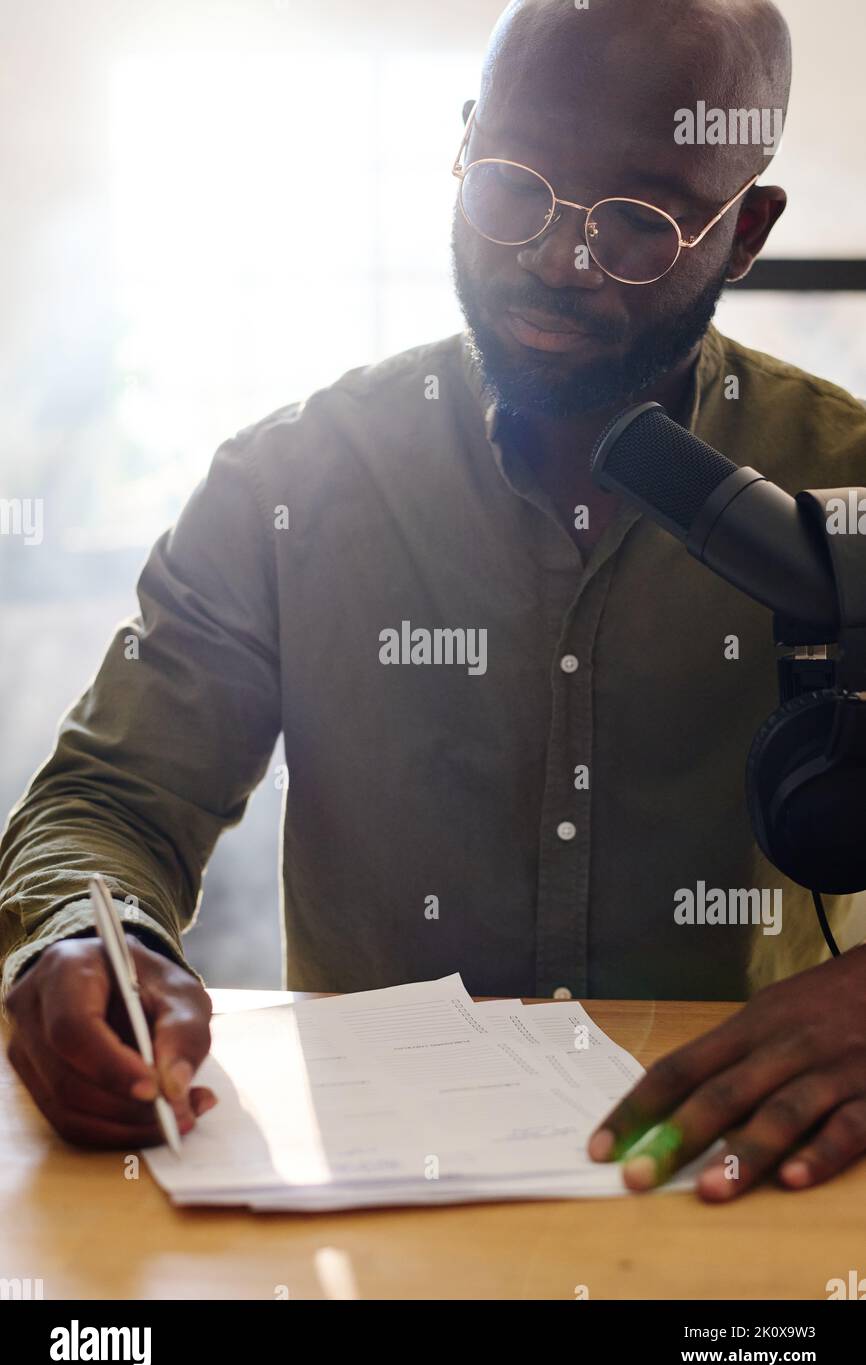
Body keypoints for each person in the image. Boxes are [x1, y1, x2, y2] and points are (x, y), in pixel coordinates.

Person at [3, 0, 866, 1199]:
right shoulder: (284, 483)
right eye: (512, 185)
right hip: (373, 1197)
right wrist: (82, 939)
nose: (553, 263)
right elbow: (113, 796)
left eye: (635, 221)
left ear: (745, 230)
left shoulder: (848, 482)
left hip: (746, 1182)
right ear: (459, 146)